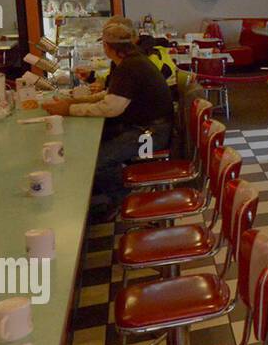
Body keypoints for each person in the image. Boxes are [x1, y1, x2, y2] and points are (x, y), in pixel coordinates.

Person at [43, 24, 175, 221]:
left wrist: (68, 109)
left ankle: (124, 201)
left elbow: (111, 108)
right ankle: (99, 197)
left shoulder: (130, 66)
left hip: (151, 137)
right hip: (149, 128)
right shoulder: (132, 62)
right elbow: (111, 97)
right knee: (90, 147)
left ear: (107, 46)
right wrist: (74, 102)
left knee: (97, 160)